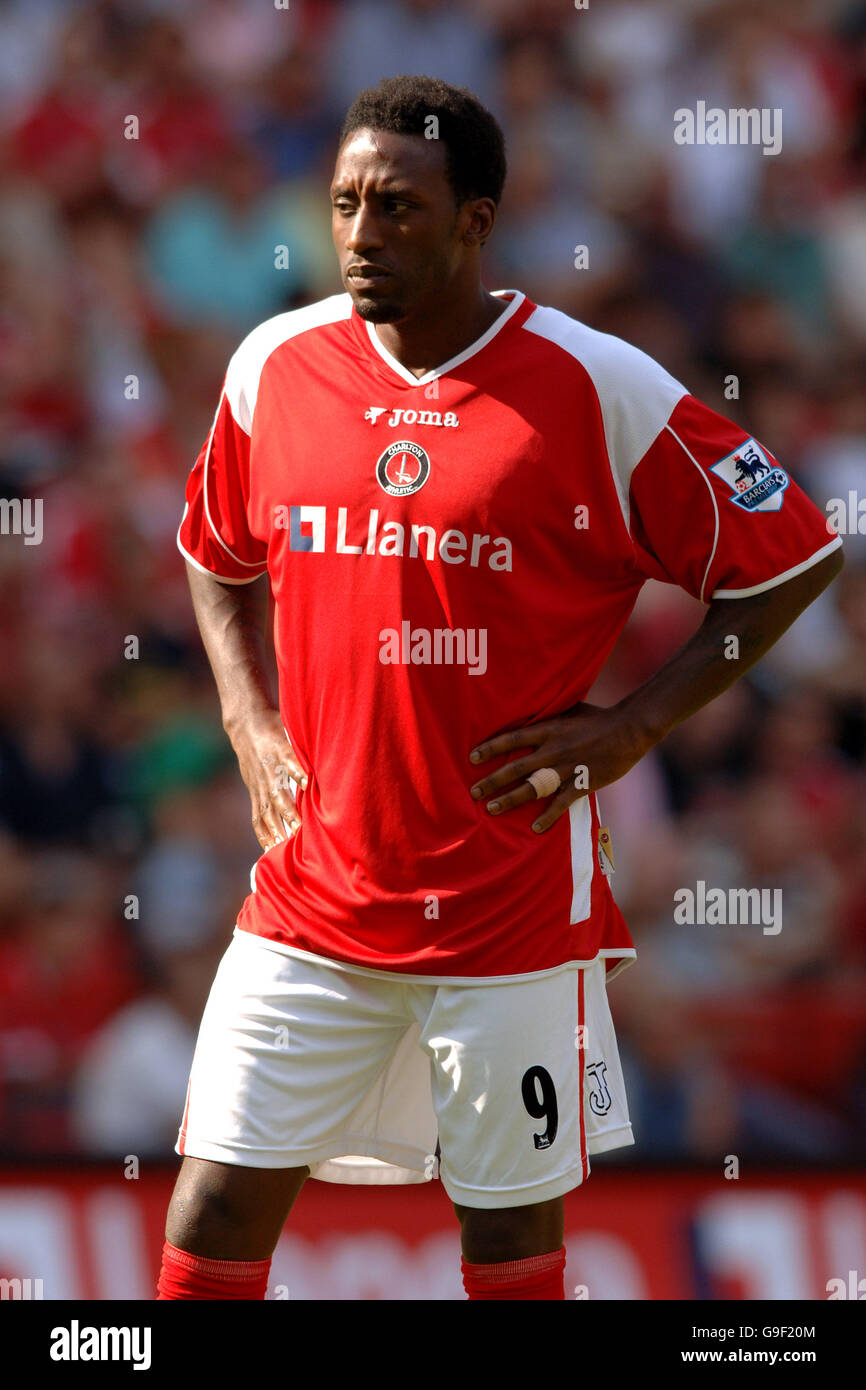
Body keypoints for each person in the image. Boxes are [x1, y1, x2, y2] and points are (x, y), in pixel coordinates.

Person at [158, 75, 843, 1301]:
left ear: (476, 221)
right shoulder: (276, 362)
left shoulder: (594, 382)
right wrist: (246, 719)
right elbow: (214, 557)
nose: (363, 234)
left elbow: (789, 553)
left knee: (509, 1247)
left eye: (400, 208)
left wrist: (636, 724)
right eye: (346, 204)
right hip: (312, 892)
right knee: (210, 1210)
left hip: (507, 904)